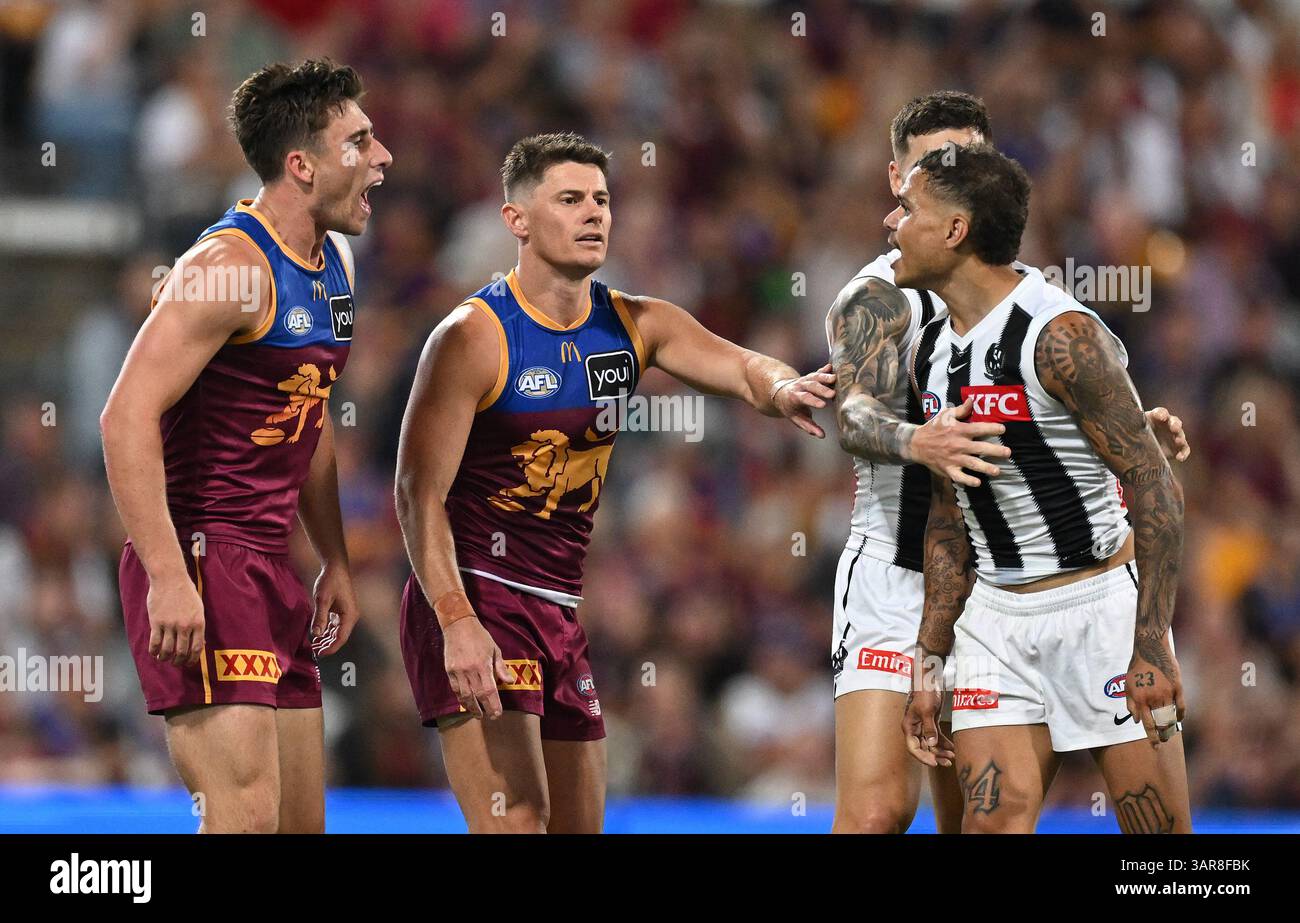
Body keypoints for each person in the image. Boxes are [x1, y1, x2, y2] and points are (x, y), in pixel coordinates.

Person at [394, 131, 833, 833]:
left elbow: (742, 366)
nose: (594, 212)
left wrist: (784, 387)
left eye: (601, 198)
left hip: (560, 612)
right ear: (518, 220)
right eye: (569, 199)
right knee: (518, 819)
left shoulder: (634, 324)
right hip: (478, 593)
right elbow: (417, 495)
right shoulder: (473, 336)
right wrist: (456, 620)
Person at [825, 92, 1189, 834]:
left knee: (1161, 847)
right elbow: (876, 436)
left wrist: (1125, 432)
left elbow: (1138, 466)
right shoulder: (890, 310)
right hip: (947, 586)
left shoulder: (1051, 322)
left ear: (962, 217)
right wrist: (915, 440)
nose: (894, 220)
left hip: (1084, 597)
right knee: (916, 817)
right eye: (927, 168)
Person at [101, 60, 390, 832]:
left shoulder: (337, 264)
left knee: (296, 827)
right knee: (243, 820)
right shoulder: (226, 268)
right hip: (201, 554)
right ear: (302, 165)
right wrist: (167, 571)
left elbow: (309, 412)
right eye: (359, 141)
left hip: (270, 564)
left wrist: (333, 555)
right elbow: (123, 416)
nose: (383, 157)